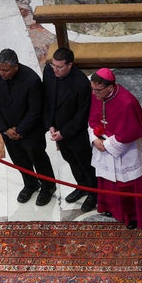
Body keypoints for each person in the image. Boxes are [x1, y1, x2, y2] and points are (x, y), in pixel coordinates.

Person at [88, 68, 142, 229]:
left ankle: (134, 216)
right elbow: (92, 120)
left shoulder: (127, 102)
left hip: (125, 149)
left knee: (127, 184)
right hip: (102, 144)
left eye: (97, 90)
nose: (94, 94)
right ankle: (111, 208)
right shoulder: (98, 95)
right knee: (107, 180)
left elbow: (130, 133)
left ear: (110, 87)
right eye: (92, 88)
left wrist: (105, 145)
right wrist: (94, 138)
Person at [0, 49, 56, 206]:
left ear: (15, 66)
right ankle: (31, 184)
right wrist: (5, 129)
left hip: (30, 131)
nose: (1, 73)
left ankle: (48, 187)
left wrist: (19, 130)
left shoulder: (31, 80)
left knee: (38, 159)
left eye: (5, 70)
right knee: (19, 159)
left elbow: (35, 111)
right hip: (7, 131)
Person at [43, 48, 95, 210]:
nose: (55, 70)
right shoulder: (49, 72)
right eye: (54, 66)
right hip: (57, 130)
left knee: (85, 163)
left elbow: (82, 114)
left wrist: (64, 133)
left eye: (59, 67)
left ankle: (94, 192)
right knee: (70, 160)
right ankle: (82, 186)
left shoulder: (81, 83)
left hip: (76, 133)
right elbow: (47, 100)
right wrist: (50, 125)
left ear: (70, 65)